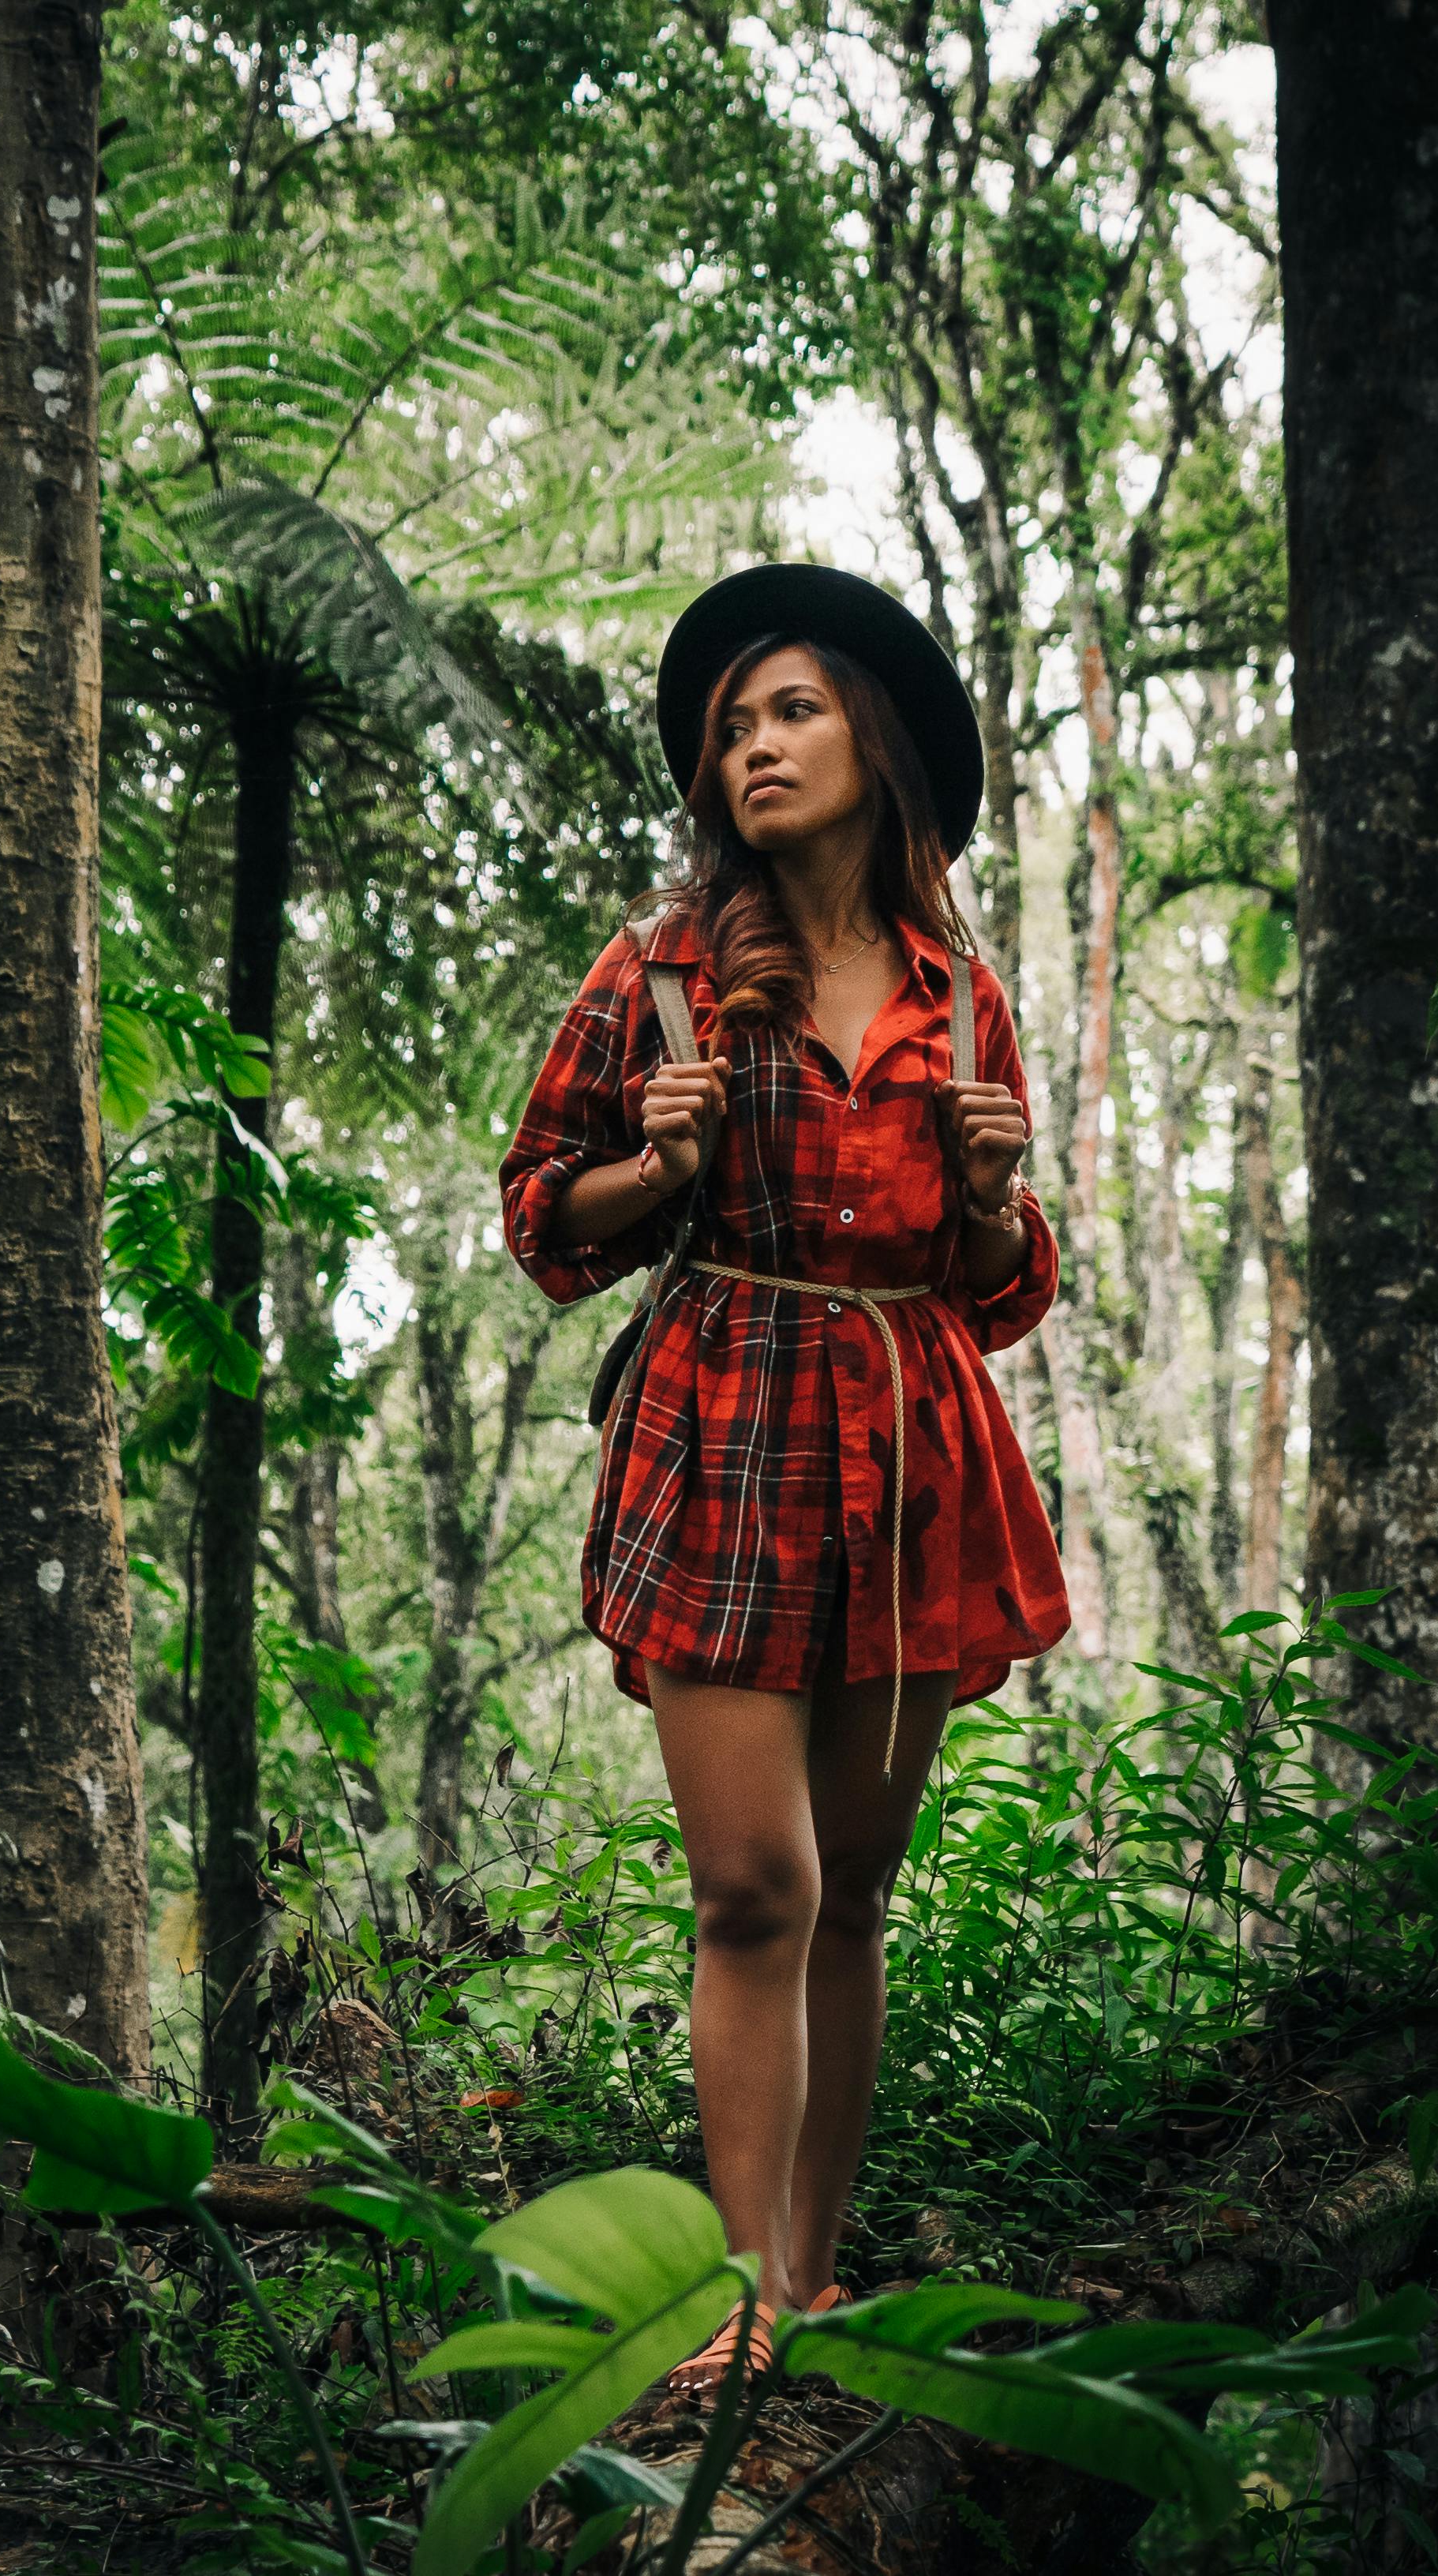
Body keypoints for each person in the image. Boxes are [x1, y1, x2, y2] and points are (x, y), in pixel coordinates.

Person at [497, 564, 1072, 2385]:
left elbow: (998, 1298)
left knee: (860, 1890)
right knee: (757, 1884)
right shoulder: (656, 976)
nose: (755, 744)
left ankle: (808, 2294)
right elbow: (541, 1224)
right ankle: (735, 2300)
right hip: (728, 1430)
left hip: (911, 1451)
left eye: (793, 711)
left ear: (875, 746)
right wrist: (652, 1171)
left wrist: (996, 1202)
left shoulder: (960, 996)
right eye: (734, 725)